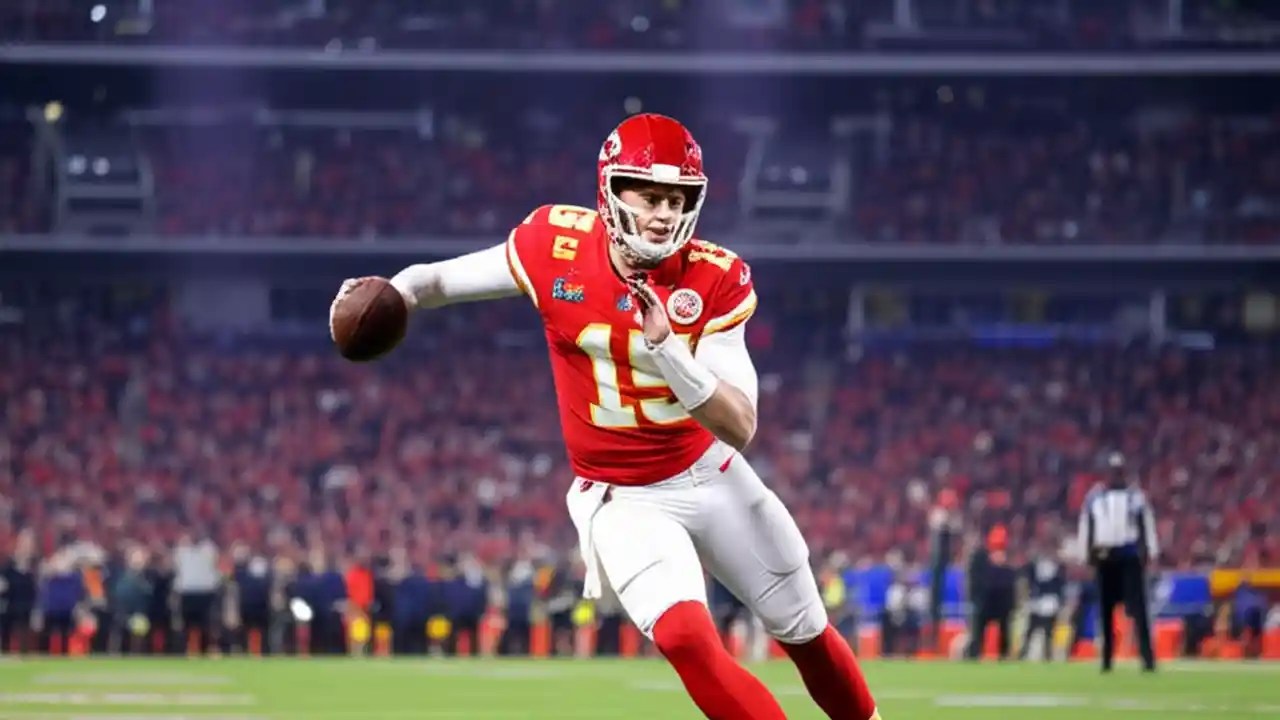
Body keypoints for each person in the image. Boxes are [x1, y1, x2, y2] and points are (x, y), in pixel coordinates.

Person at [333, 113, 880, 720]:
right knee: (685, 637)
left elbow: (741, 426)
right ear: (611, 191)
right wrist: (390, 291)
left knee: (804, 630)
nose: (664, 214)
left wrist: (669, 349)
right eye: (650, 196)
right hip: (622, 496)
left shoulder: (715, 276)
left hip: (710, 473)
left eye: (678, 199)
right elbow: (436, 279)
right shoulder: (553, 245)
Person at [1078, 451, 1158, 672]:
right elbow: (1087, 527)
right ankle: (1106, 659)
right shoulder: (1095, 497)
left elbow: (1146, 525)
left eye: (1118, 471)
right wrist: (1086, 555)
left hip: (1129, 555)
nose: (1115, 475)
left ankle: (1147, 658)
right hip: (1105, 557)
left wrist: (1149, 552)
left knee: (1139, 610)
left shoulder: (1136, 497)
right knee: (1105, 611)